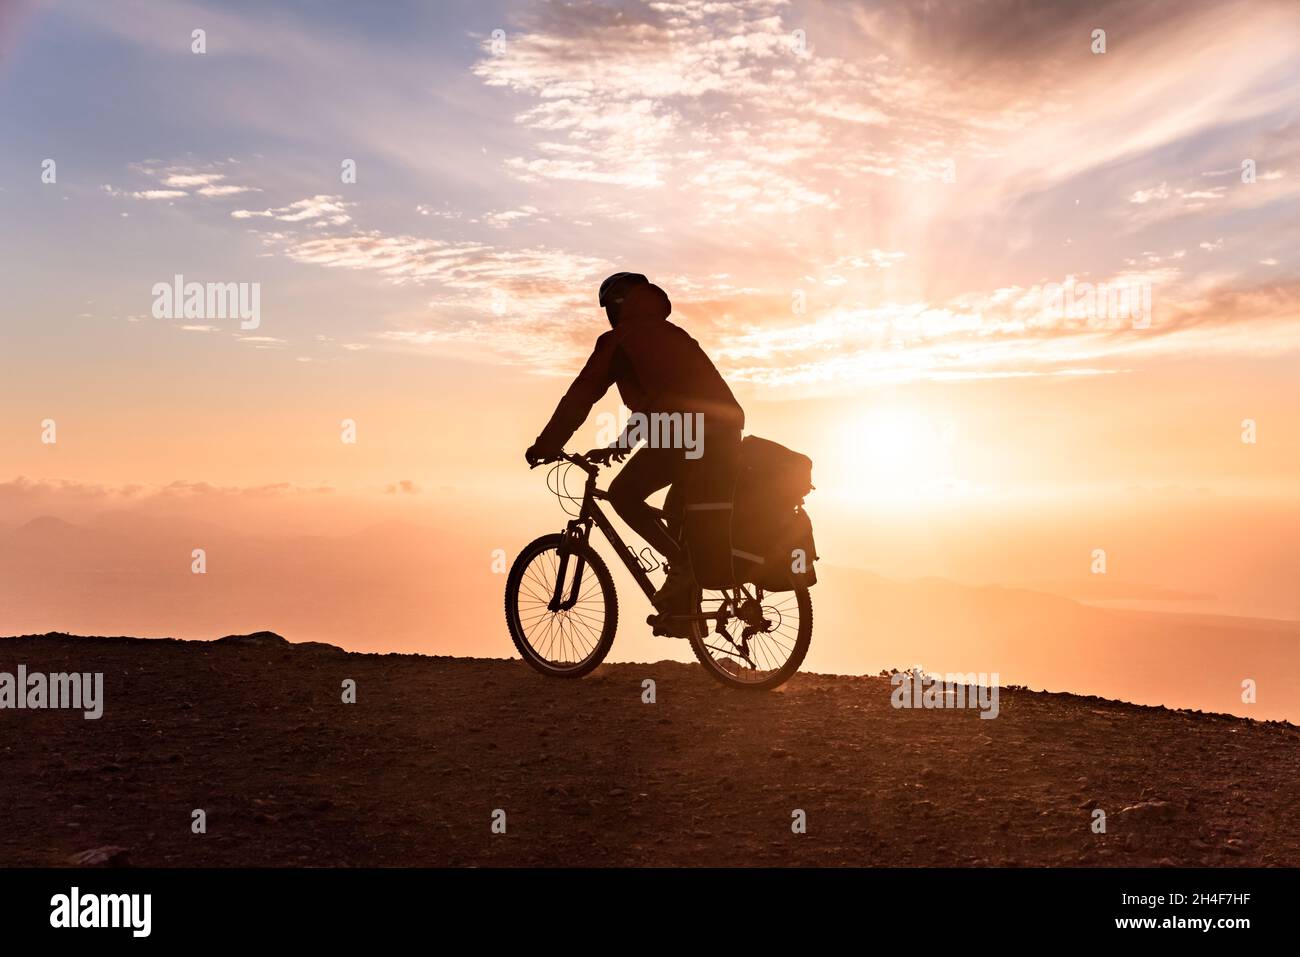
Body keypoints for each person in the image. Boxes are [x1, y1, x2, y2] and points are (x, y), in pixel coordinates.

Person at [525, 272, 745, 622]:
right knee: (679, 516)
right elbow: (667, 398)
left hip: (685, 432)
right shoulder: (674, 335)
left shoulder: (621, 340)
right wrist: (621, 444)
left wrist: (547, 444)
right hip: (723, 432)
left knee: (624, 494)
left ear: (616, 306)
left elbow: (582, 396)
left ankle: (684, 569)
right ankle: (682, 612)